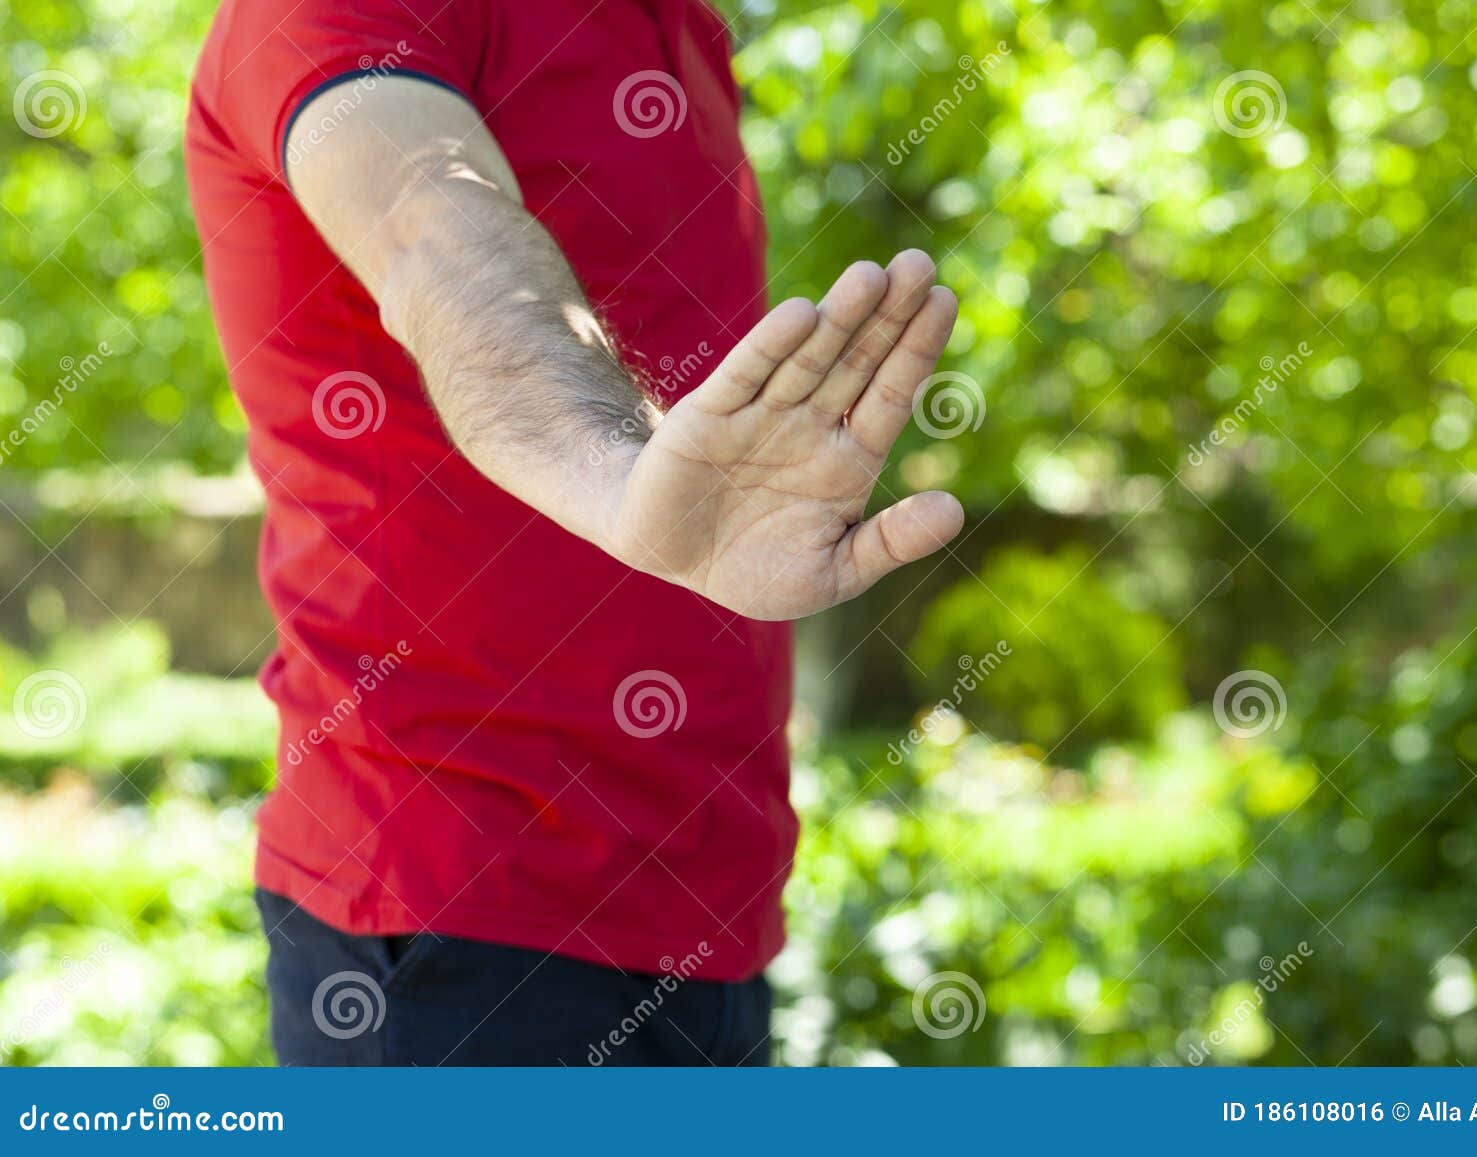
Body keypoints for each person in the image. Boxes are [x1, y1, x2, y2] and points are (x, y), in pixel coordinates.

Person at [184, 0, 961, 1066]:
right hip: (456, 916)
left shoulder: (671, 26)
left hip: (707, 905)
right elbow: (430, 220)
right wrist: (614, 472)